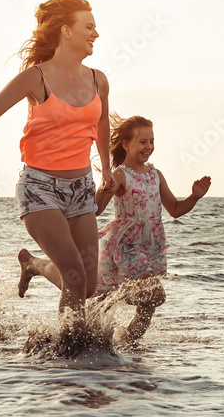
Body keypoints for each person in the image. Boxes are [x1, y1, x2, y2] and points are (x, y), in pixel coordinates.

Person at [0, 0, 115, 340]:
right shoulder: (36, 78)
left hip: (82, 188)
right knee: (75, 275)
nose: (97, 32)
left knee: (88, 283)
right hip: (40, 188)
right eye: (89, 26)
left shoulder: (98, 80)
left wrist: (107, 171)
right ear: (67, 31)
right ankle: (69, 351)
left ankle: (34, 265)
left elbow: (101, 126)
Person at [19, 114, 211, 343]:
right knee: (154, 294)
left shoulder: (155, 175)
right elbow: (97, 209)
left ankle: (125, 347)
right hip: (126, 247)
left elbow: (176, 209)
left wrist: (195, 197)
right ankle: (102, 302)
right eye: (143, 142)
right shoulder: (120, 174)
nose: (148, 146)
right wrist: (104, 187)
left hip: (149, 247)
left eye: (152, 141)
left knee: (145, 305)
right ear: (126, 144)